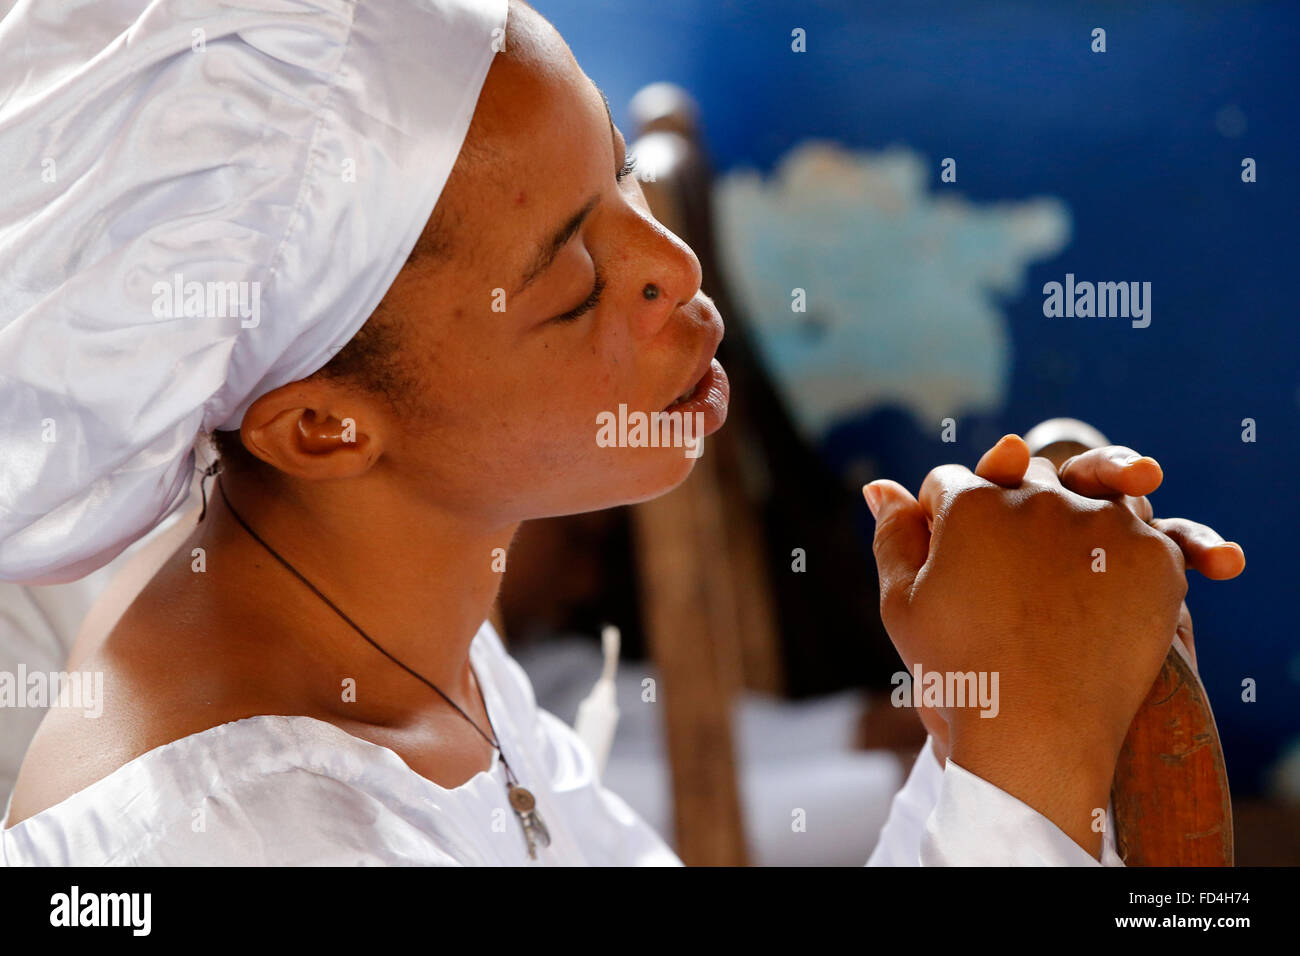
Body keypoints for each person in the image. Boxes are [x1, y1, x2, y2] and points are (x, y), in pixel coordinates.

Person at [0, 0, 1242, 865]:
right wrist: (1021, 751)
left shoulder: (395, 616)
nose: (672, 265)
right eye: (573, 283)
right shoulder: (256, 838)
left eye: (618, 181)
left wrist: (1007, 684)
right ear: (321, 425)